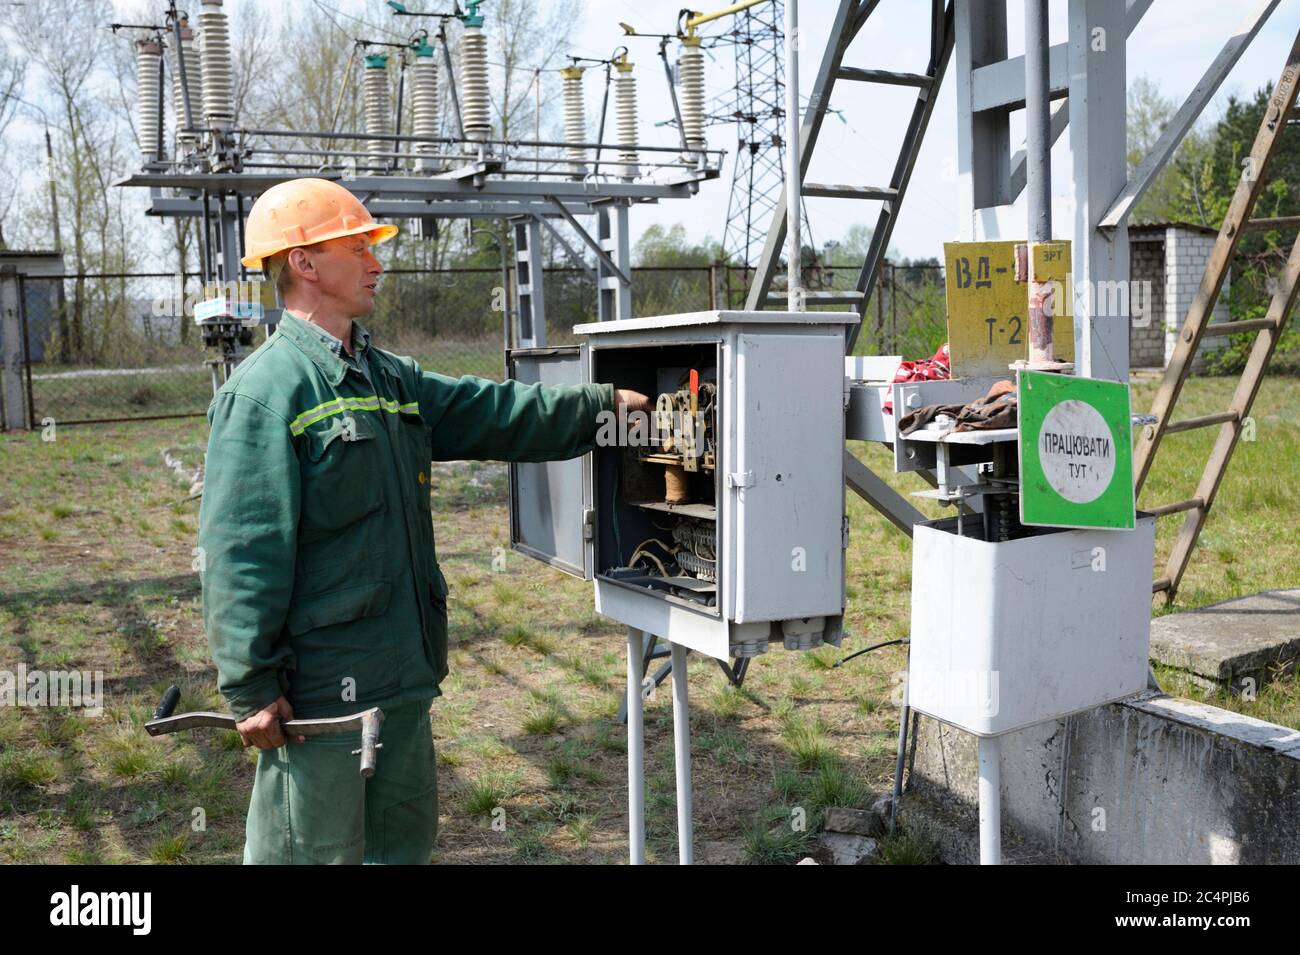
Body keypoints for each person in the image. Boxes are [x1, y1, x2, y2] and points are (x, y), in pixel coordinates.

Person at [197, 178, 650, 863]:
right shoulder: (265, 393)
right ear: (304, 263)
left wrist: (599, 406)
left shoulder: (388, 378)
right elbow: (241, 548)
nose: (377, 263)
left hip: (402, 681)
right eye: (358, 247)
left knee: (402, 850)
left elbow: (493, 411)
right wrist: (252, 683)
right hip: (322, 699)